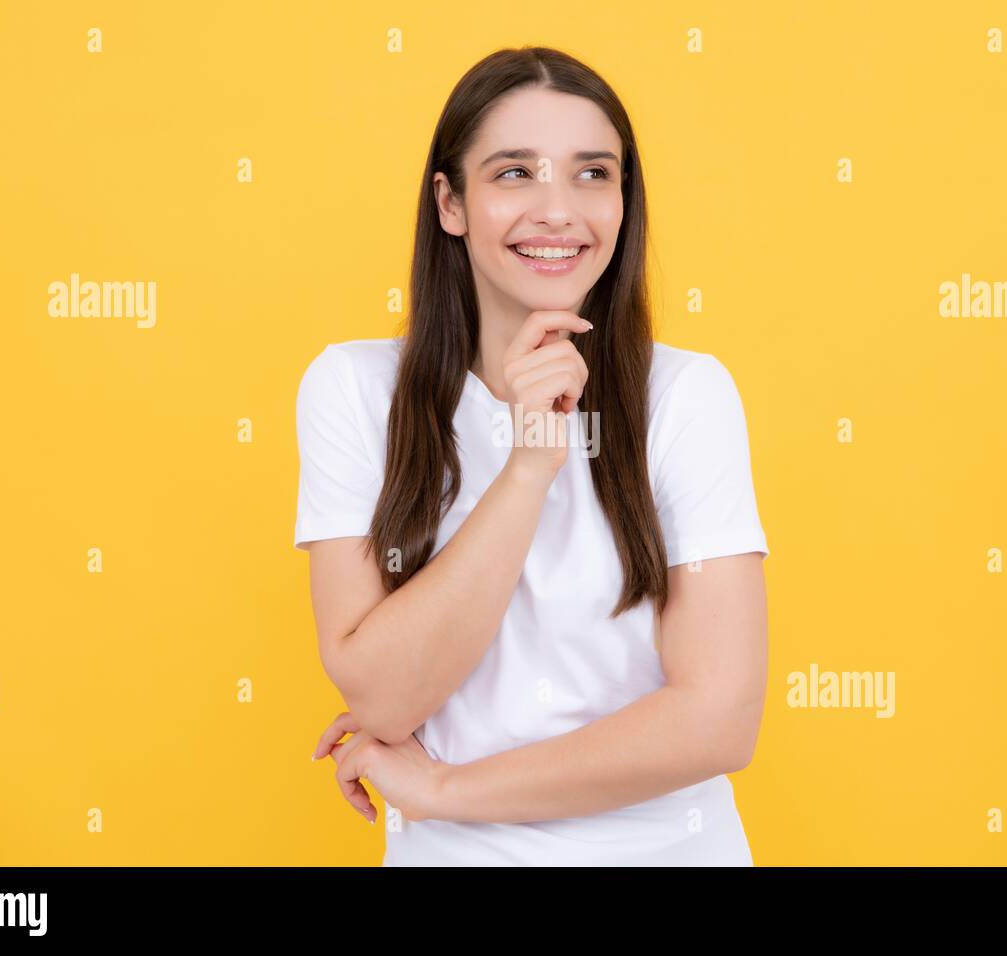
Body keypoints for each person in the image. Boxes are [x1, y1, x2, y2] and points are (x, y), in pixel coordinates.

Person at [296, 46, 770, 865]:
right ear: (450, 202)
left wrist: (447, 791)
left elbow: (718, 720)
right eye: (515, 173)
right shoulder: (354, 390)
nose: (559, 211)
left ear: (624, 202)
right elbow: (382, 693)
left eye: (593, 174)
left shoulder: (687, 395)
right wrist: (528, 466)